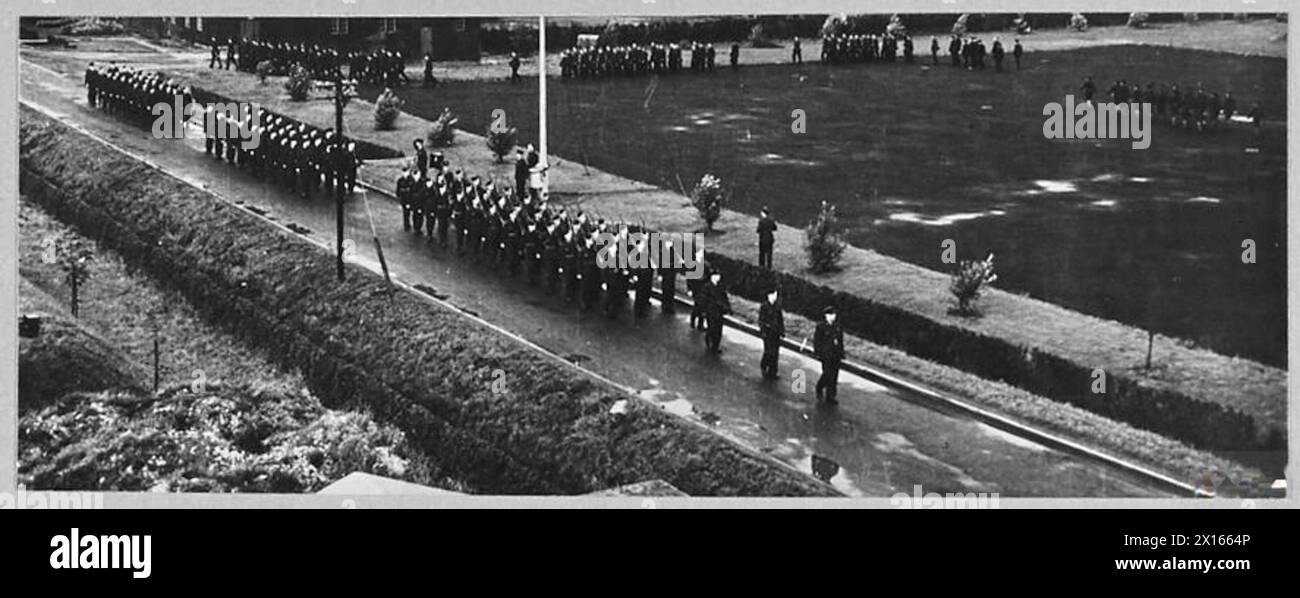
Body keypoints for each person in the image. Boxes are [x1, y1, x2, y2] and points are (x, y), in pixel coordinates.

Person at [813, 306, 844, 404]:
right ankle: (820, 386)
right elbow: (817, 341)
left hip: (835, 355)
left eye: (834, 315)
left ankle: (830, 396)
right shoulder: (821, 326)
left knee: (834, 376)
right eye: (830, 315)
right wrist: (818, 353)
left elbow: (840, 341)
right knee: (827, 374)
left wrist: (841, 353)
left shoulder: (837, 327)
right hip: (826, 355)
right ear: (826, 316)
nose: (833, 317)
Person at [758, 288, 784, 379]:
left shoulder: (777, 307)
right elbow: (761, 320)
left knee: (775, 353)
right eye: (773, 295)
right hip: (768, 333)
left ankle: (773, 371)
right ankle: (764, 365)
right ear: (769, 295)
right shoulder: (764, 306)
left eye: (776, 295)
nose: (775, 297)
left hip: (775, 333)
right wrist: (763, 332)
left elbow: (780, 320)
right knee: (769, 351)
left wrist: (782, 331)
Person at [703, 272, 730, 353]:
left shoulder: (721, 287)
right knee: (712, 328)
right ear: (712, 277)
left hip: (719, 311)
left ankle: (715, 346)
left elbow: (725, 298)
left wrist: (727, 307)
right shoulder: (707, 286)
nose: (718, 277)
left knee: (718, 330)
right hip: (710, 311)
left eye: (719, 276)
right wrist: (704, 311)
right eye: (716, 276)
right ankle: (709, 339)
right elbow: (704, 299)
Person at [396, 166, 415, 232]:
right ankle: (406, 225)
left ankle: (415, 226)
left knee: (412, 213)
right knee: (405, 213)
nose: (405, 174)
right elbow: (398, 190)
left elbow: (413, 190)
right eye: (403, 172)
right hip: (404, 199)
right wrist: (399, 198)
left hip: (410, 199)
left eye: (406, 172)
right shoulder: (400, 180)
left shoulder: (411, 180)